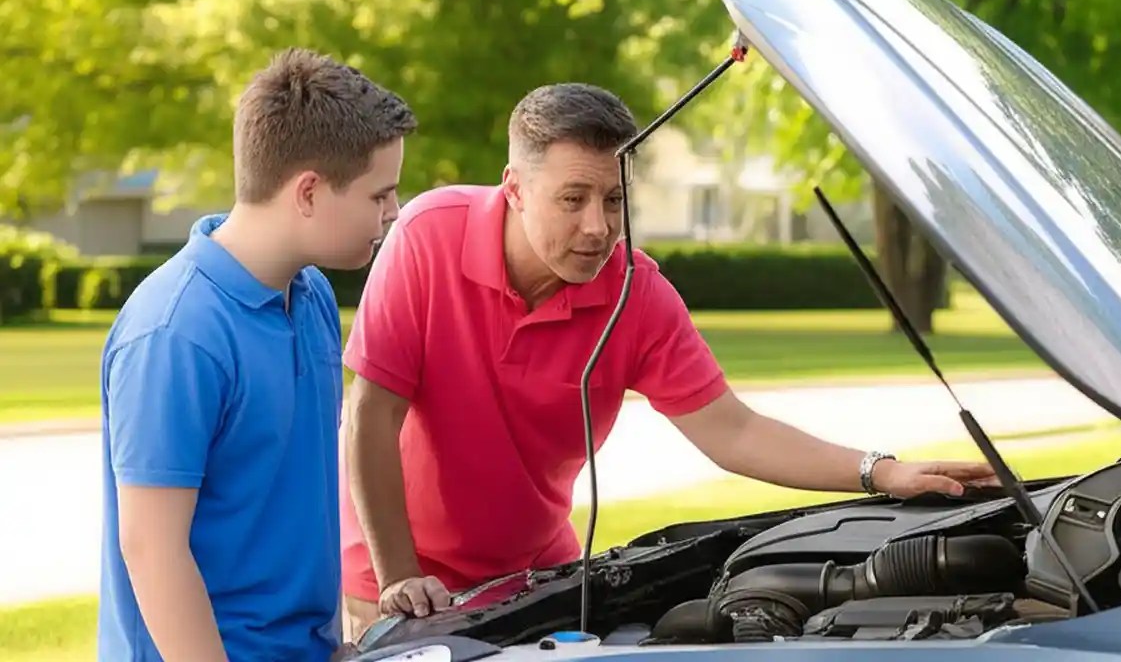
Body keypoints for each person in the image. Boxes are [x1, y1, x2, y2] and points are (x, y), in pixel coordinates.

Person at [338, 82, 996, 639]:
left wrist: (880, 471)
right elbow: (370, 418)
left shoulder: (636, 292)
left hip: (533, 575)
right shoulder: (426, 237)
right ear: (514, 187)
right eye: (573, 199)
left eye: (615, 199)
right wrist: (398, 576)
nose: (599, 226)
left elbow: (733, 431)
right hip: (399, 576)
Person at [97, 47, 416, 662]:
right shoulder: (175, 332)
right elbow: (151, 548)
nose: (393, 212)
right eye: (380, 195)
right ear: (308, 193)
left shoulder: (313, 295)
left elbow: (299, 499)